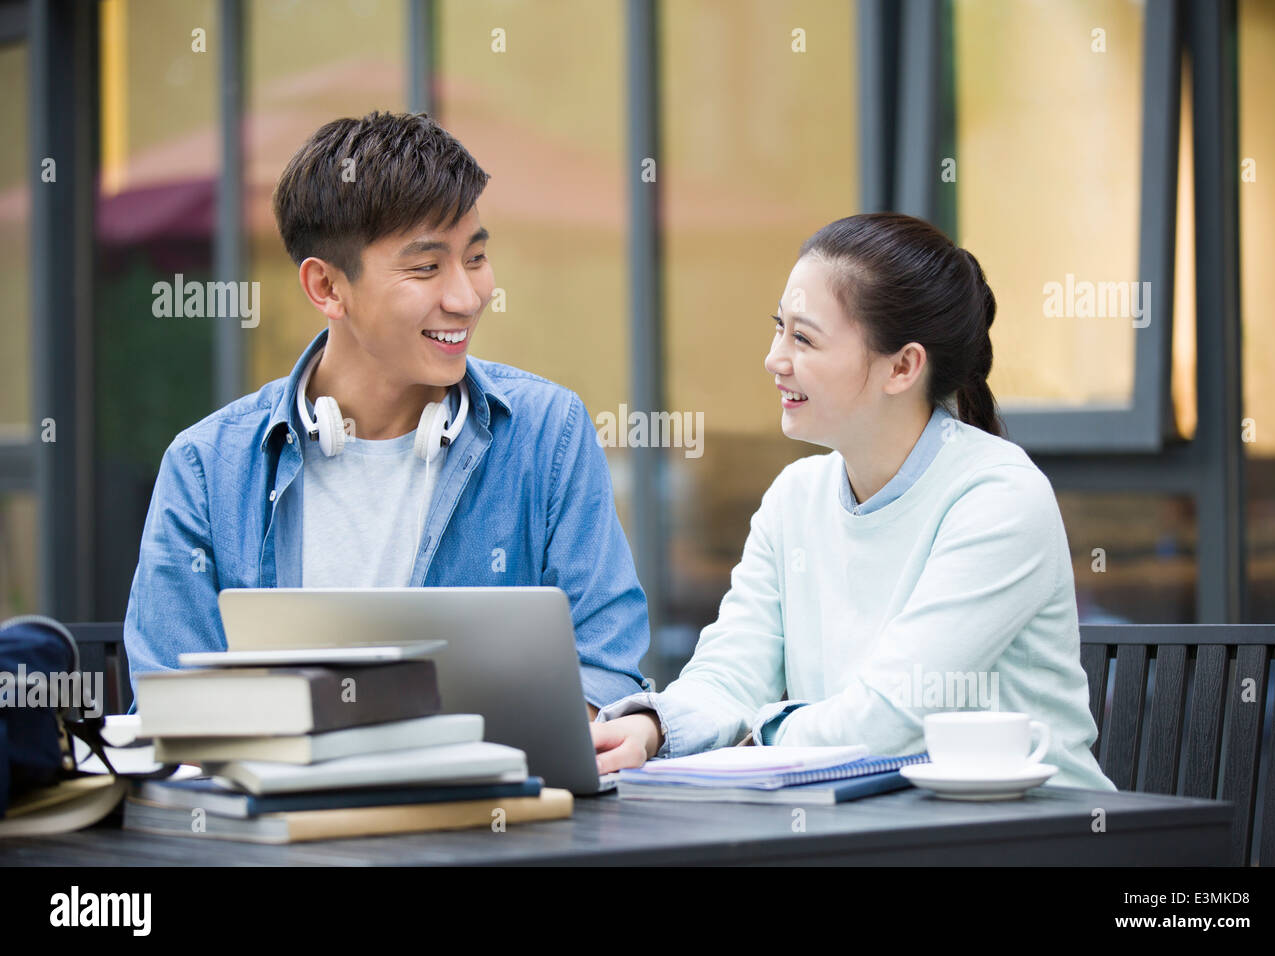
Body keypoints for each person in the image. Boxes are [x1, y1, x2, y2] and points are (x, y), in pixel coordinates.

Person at [123, 111, 651, 719]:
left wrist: (564, 728)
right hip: (279, 813)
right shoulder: (205, 468)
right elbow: (171, 708)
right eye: (426, 268)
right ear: (326, 288)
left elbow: (609, 669)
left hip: (493, 805)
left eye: (475, 258)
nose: (466, 297)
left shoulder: (548, 433)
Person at [591, 212, 1116, 790]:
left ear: (903, 366)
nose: (774, 358)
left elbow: (891, 718)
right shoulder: (795, 497)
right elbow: (731, 671)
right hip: (874, 827)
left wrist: (755, 735)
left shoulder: (998, 497)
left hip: (1037, 834)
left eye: (804, 337)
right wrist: (651, 727)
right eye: (779, 327)